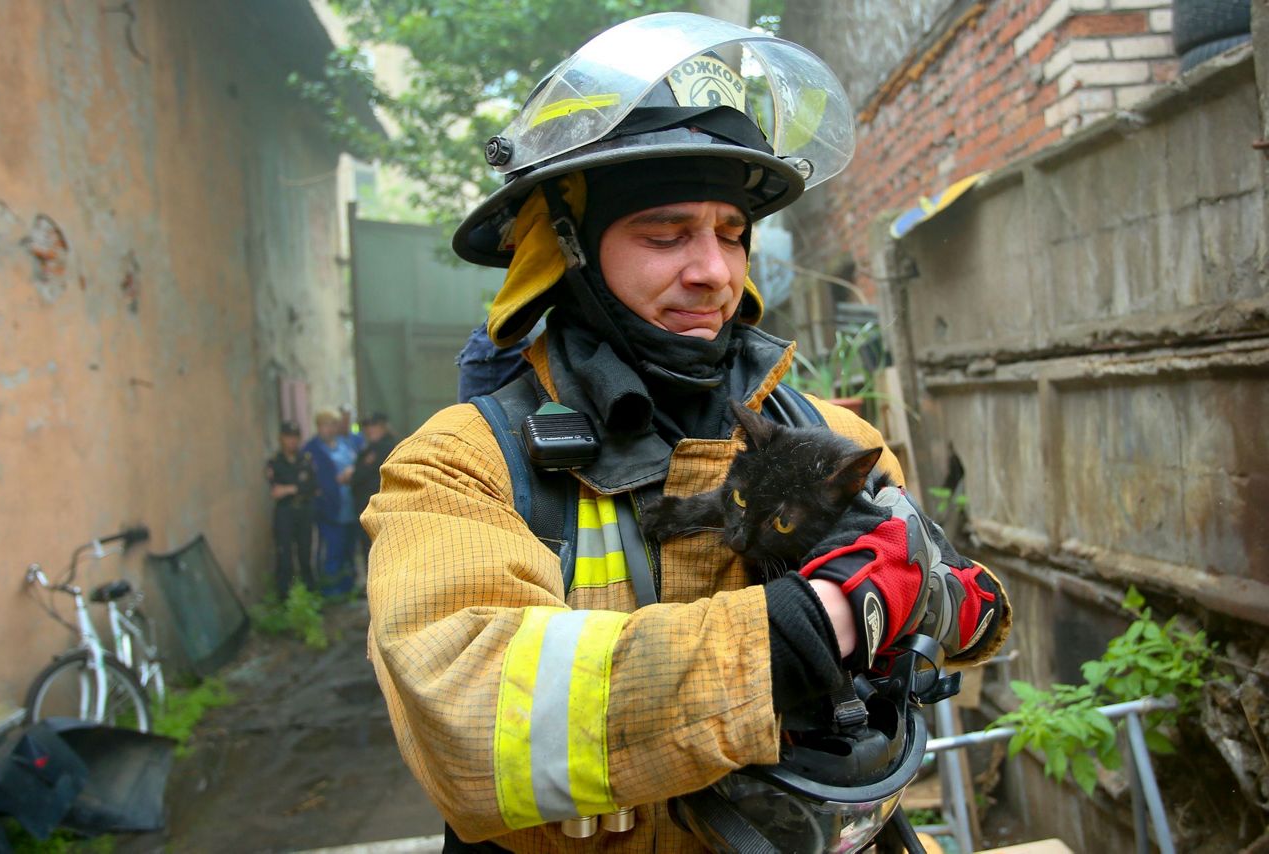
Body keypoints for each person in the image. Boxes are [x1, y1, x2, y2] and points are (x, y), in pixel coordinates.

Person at [362, 14, 1010, 852]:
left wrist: (921, 589)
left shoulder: (826, 438)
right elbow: (466, 720)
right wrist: (798, 632)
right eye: (666, 234)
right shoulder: (460, 466)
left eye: (732, 233)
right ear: (571, 254)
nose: (713, 271)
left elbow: (982, 623)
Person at [304, 409, 358, 596]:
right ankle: (330, 591)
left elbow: (355, 462)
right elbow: (311, 480)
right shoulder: (311, 450)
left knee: (348, 550)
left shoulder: (345, 444)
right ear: (318, 427)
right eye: (325, 425)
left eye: (333, 425)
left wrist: (352, 472)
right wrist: (334, 482)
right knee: (331, 550)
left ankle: (347, 586)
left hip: (350, 506)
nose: (330, 429)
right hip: (328, 509)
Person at [265, 421, 316, 598]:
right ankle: (284, 597)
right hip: (285, 512)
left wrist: (289, 489)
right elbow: (275, 491)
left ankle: (310, 594)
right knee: (284, 555)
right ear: (281, 439)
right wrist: (297, 487)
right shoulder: (275, 462)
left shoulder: (306, 459)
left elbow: (313, 487)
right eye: (288, 437)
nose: (292, 441)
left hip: (304, 511)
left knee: (305, 553)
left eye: (295, 438)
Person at [350, 411, 398, 551]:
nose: (370, 430)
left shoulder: (384, 447)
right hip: (370, 508)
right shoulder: (370, 448)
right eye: (367, 427)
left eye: (374, 426)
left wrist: (354, 474)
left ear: (383, 427)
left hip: (378, 508)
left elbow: (360, 476)